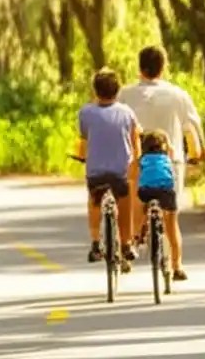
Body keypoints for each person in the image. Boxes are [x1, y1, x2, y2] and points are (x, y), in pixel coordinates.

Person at [118, 45, 205, 276]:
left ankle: (129, 250)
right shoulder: (178, 95)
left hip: (138, 160)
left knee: (136, 205)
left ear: (140, 68)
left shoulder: (126, 94)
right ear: (163, 67)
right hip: (171, 161)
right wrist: (199, 153)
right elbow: (192, 128)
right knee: (170, 216)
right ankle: (177, 266)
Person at [79, 67, 140, 270]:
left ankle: (96, 243)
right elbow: (135, 142)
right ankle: (126, 244)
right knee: (125, 202)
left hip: (96, 172)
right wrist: (135, 163)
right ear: (118, 90)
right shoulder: (127, 112)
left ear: (96, 91)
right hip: (120, 171)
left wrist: (81, 157)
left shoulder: (86, 112)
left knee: (94, 201)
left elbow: (83, 142)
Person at [137, 129, 188, 281]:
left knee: (140, 206)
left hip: (146, 191)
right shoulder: (167, 157)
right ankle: (177, 267)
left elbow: (134, 173)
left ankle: (140, 232)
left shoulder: (142, 159)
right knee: (172, 227)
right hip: (165, 192)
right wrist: (171, 146)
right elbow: (173, 154)